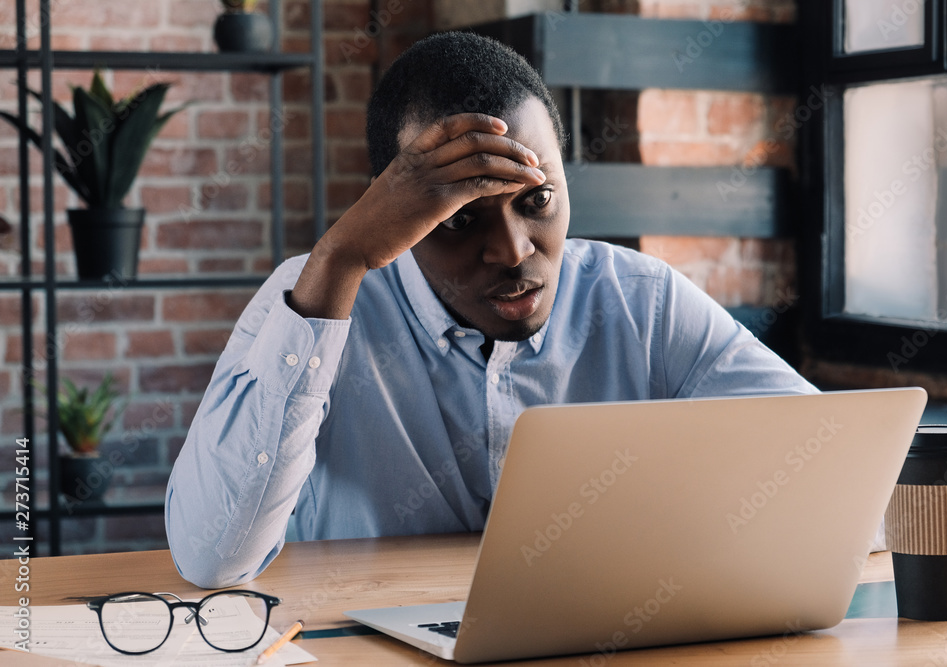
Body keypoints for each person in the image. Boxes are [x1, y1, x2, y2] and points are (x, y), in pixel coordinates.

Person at [165, 31, 816, 589]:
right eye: (461, 217)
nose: (512, 250)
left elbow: (839, 470)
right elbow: (210, 558)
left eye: (537, 202)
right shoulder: (311, 300)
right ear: (393, 211)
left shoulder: (640, 301)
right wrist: (340, 259)